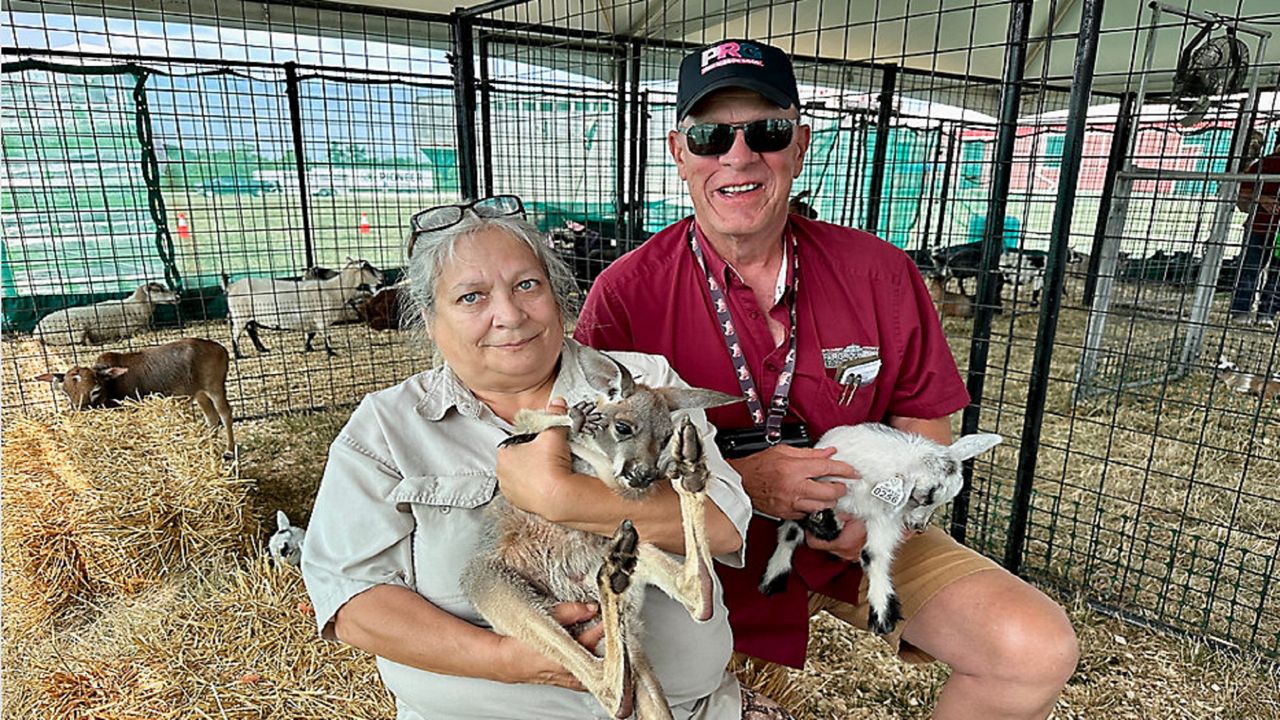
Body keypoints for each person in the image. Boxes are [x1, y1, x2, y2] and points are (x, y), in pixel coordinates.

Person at [575, 39, 1079, 720]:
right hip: (694, 547)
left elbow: (925, 419)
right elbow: (594, 464)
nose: (738, 155)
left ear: (801, 143)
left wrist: (885, 512)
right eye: (710, 135)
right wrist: (745, 484)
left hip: (853, 532)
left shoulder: (879, 272)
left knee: (1032, 648)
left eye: (768, 131)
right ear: (678, 151)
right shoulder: (626, 293)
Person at [300, 195, 792, 719]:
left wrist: (562, 496)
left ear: (557, 296)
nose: (509, 315)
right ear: (429, 318)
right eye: (471, 297)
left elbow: (721, 529)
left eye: (526, 285)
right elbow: (351, 601)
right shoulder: (387, 427)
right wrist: (506, 659)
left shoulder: (644, 385)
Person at [1233, 140, 1280, 326]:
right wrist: (1261, 198)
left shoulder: (1262, 164)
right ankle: (1250, 312)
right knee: (1251, 269)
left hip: (1263, 228)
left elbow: (1242, 196)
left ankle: (1261, 313)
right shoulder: (1263, 164)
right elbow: (1241, 195)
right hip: (1259, 226)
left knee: (1261, 271)